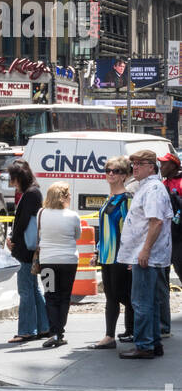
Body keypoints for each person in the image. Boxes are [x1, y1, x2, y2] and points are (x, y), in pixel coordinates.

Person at [116, 150, 174, 359]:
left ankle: (144, 344)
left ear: (152, 166)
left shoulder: (153, 189)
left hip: (147, 255)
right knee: (149, 301)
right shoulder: (148, 187)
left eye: (140, 163)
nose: (135, 167)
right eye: (134, 164)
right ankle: (153, 342)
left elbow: (156, 221)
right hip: (145, 254)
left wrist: (145, 250)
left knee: (141, 302)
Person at [89, 156, 134, 349]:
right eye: (108, 170)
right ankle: (110, 336)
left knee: (122, 295)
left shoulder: (126, 199)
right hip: (107, 254)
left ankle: (132, 330)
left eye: (115, 171)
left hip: (120, 255)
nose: (110, 174)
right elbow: (103, 228)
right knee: (111, 296)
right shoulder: (110, 199)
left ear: (124, 175)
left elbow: (131, 229)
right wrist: (97, 251)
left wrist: (131, 254)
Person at [6, 160, 50, 343]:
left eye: (13, 179)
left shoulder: (30, 194)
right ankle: (43, 326)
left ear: (19, 178)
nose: (11, 183)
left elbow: (23, 222)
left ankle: (26, 330)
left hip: (24, 247)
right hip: (29, 247)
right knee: (33, 288)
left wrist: (12, 241)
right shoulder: (34, 191)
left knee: (25, 289)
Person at [37, 181, 82, 348]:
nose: (70, 197)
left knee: (50, 295)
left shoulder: (41, 213)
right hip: (68, 262)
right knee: (64, 296)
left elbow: (39, 233)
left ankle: (54, 331)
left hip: (48, 261)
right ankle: (60, 332)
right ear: (63, 197)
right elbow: (77, 235)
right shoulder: (73, 216)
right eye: (68, 194)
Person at [157, 152, 182, 337]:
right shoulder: (162, 184)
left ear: (173, 166)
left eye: (164, 164)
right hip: (166, 239)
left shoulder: (180, 184)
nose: (161, 167)